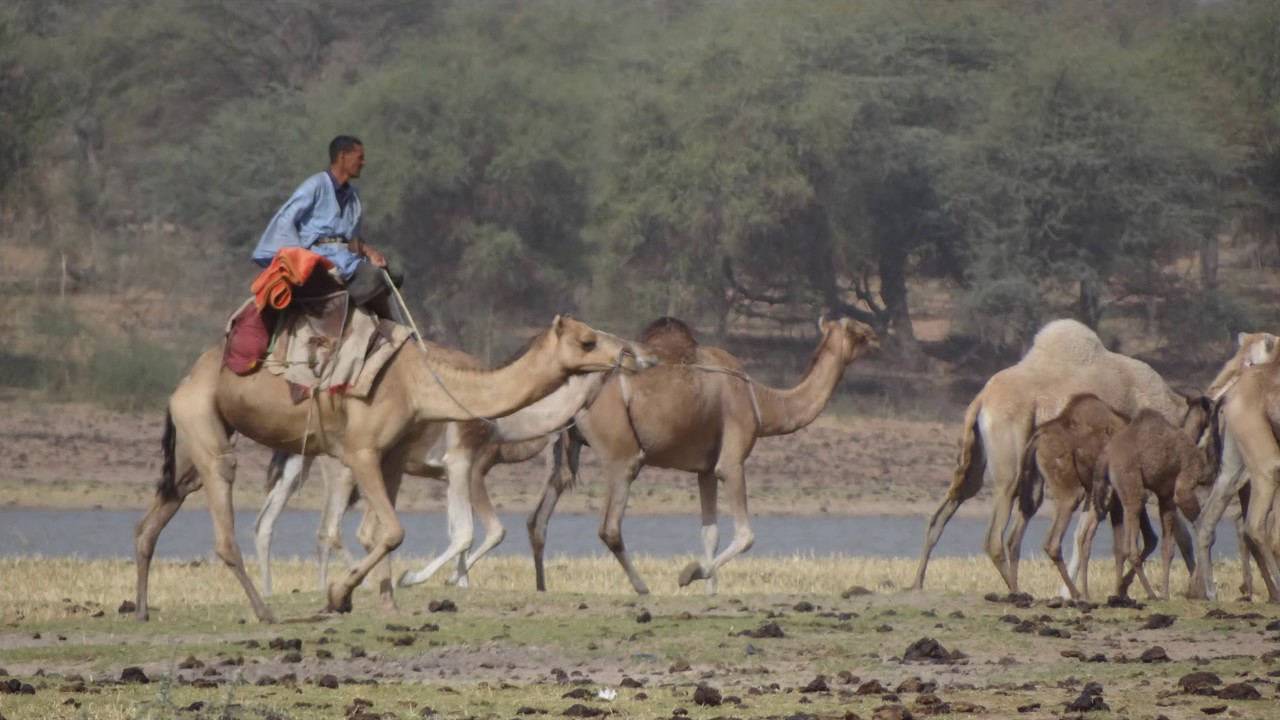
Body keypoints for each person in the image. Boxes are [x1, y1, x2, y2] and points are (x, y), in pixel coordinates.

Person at [253, 135, 402, 318]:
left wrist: (370, 253)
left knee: (394, 274)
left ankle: (363, 314)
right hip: (320, 259)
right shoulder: (315, 185)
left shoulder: (353, 196)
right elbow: (285, 221)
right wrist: (298, 257)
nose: (363, 162)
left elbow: (351, 239)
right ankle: (387, 324)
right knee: (373, 276)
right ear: (342, 156)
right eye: (360, 157)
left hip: (347, 259)